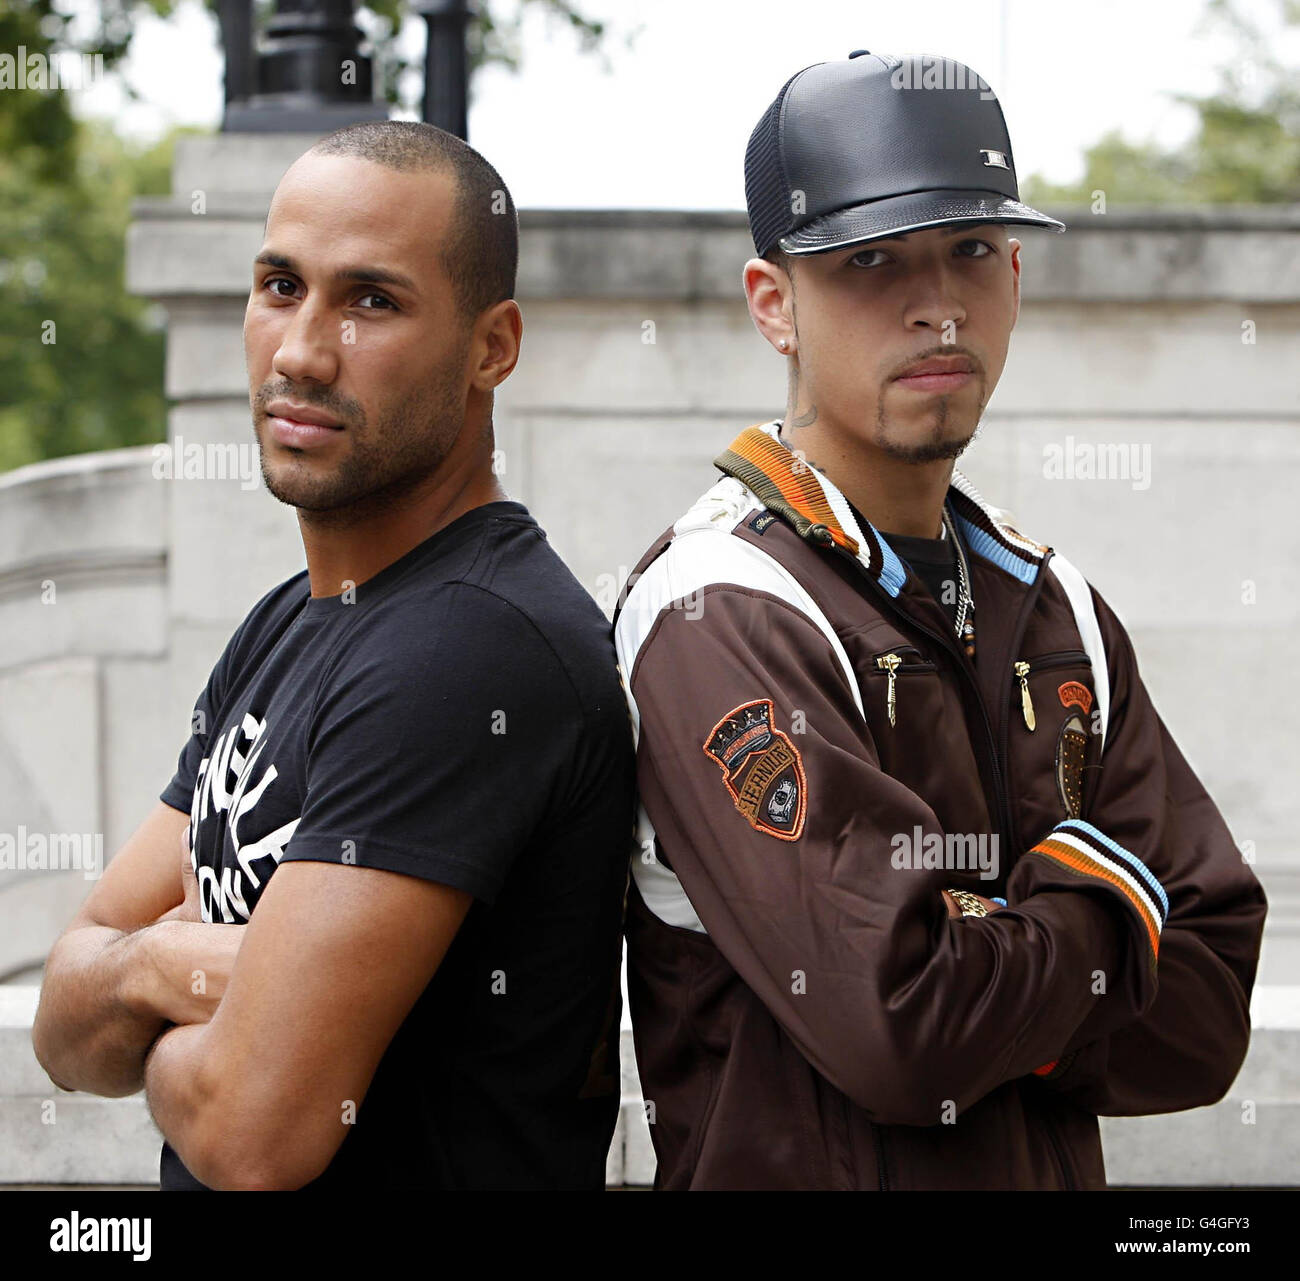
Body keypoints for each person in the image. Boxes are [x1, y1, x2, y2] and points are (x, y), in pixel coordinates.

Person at [613, 51, 1267, 1190]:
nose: (936, 303)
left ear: (1014, 274)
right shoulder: (718, 601)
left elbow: (1209, 1016)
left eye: (969, 250)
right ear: (775, 304)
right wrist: (1104, 903)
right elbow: (902, 1028)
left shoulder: (1055, 604)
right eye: (869, 260)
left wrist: (992, 943)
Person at [32, 121, 635, 1190]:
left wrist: (166, 996)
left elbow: (250, 1132)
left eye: (371, 301)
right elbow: (60, 1026)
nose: (302, 352)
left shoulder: (472, 651)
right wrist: (173, 963)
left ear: (492, 346)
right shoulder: (286, 622)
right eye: (278, 285)